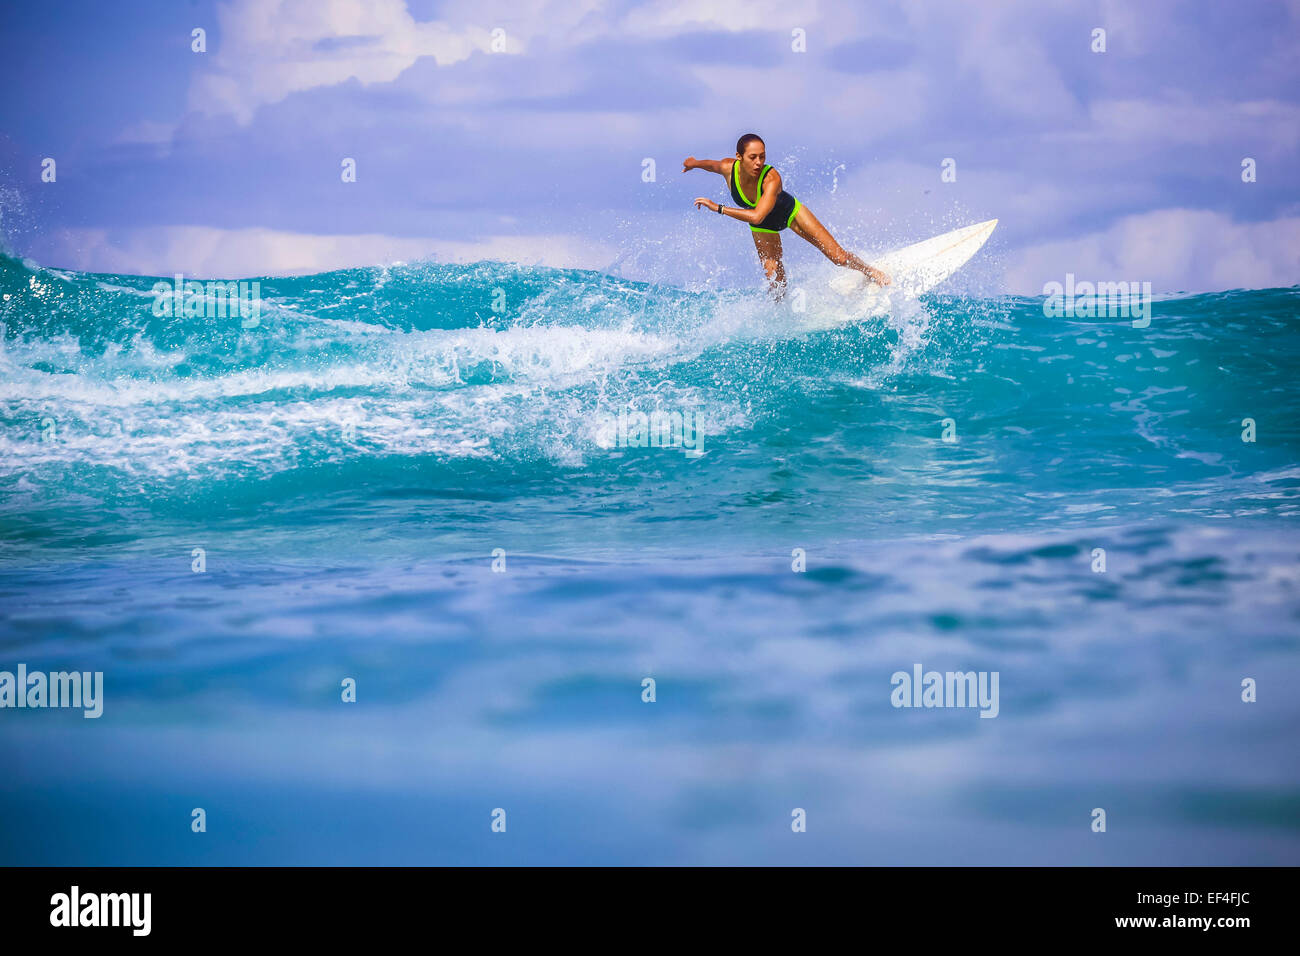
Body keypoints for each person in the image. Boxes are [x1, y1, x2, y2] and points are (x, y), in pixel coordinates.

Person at [685, 133, 891, 300]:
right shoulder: (727, 168)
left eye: (762, 156)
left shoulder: (771, 178)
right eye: (753, 157)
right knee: (775, 279)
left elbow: (756, 216)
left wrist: (718, 208)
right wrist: (693, 163)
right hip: (764, 225)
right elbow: (709, 164)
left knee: (839, 257)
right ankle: (780, 313)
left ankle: (870, 271)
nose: (758, 162)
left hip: (789, 213)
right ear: (739, 157)